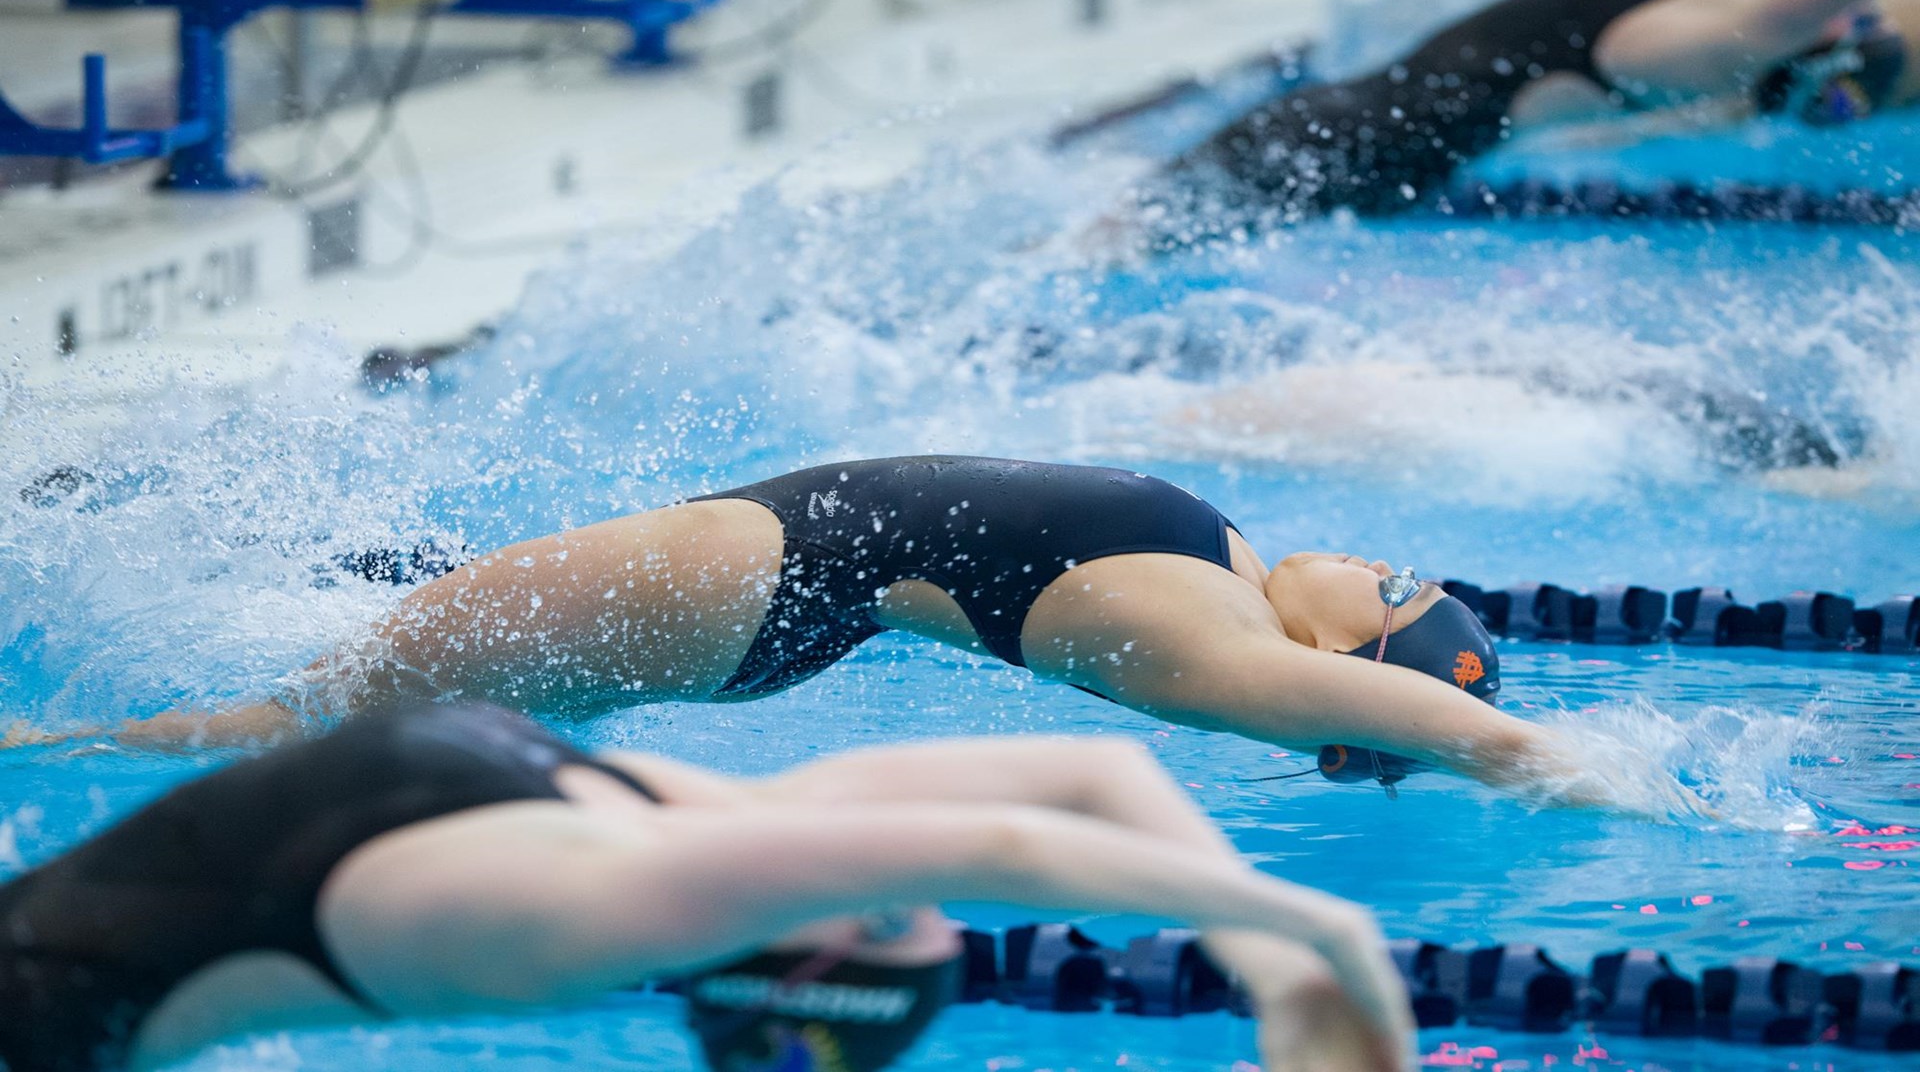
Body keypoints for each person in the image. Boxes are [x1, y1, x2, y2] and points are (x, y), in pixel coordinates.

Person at [51, 456, 1616, 803]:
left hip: (738, 587)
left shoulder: (1190, 632)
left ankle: (39, 747)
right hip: (754, 598)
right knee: (363, 680)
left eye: (1400, 599)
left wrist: (1544, 755)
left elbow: (1384, 716)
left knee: (290, 720)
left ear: (1340, 663)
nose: (1390, 566)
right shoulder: (1215, 568)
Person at [0, 699, 1414, 1072]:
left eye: (898, 920)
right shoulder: (680, 823)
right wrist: (1294, 962)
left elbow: (996, 852)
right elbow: (1081, 786)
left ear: (822, 946)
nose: (912, 893)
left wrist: (1317, 936)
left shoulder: (596, 912)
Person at [1163, 0, 1920, 221]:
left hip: (1342, 144)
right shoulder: (1706, 51)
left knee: (1111, 244)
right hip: (1356, 143)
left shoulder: (1701, 47)